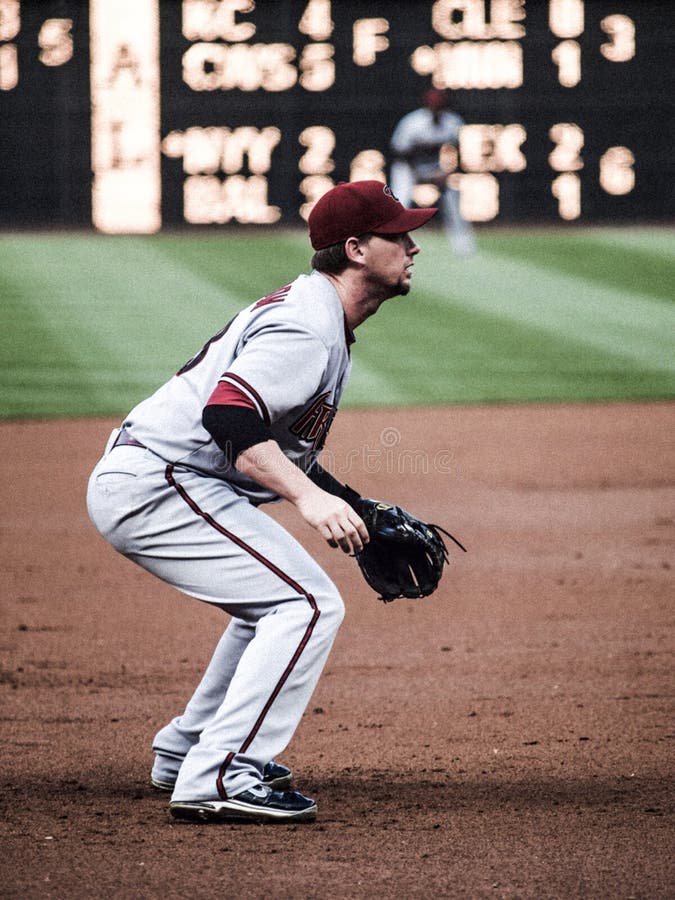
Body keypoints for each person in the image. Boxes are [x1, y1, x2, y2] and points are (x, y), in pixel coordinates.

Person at [86, 180, 438, 825]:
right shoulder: (307, 327)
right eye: (399, 235)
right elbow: (230, 419)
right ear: (356, 249)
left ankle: (189, 749)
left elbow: (280, 441)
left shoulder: (319, 316)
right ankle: (220, 774)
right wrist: (309, 502)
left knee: (272, 606)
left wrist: (354, 504)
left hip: (166, 477)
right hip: (160, 482)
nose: (414, 246)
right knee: (303, 604)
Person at [390, 87, 476, 258]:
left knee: (452, 199)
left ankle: (463, 246)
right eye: (434, 107)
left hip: (434, 167)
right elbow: (399, 152)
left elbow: (458, 151)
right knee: (400, 203)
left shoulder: (453, 122)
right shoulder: (413, 123)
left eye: (440, 107)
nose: (437, 110)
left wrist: (446, 172)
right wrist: (423, 173)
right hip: (408, 168)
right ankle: (393, 246)